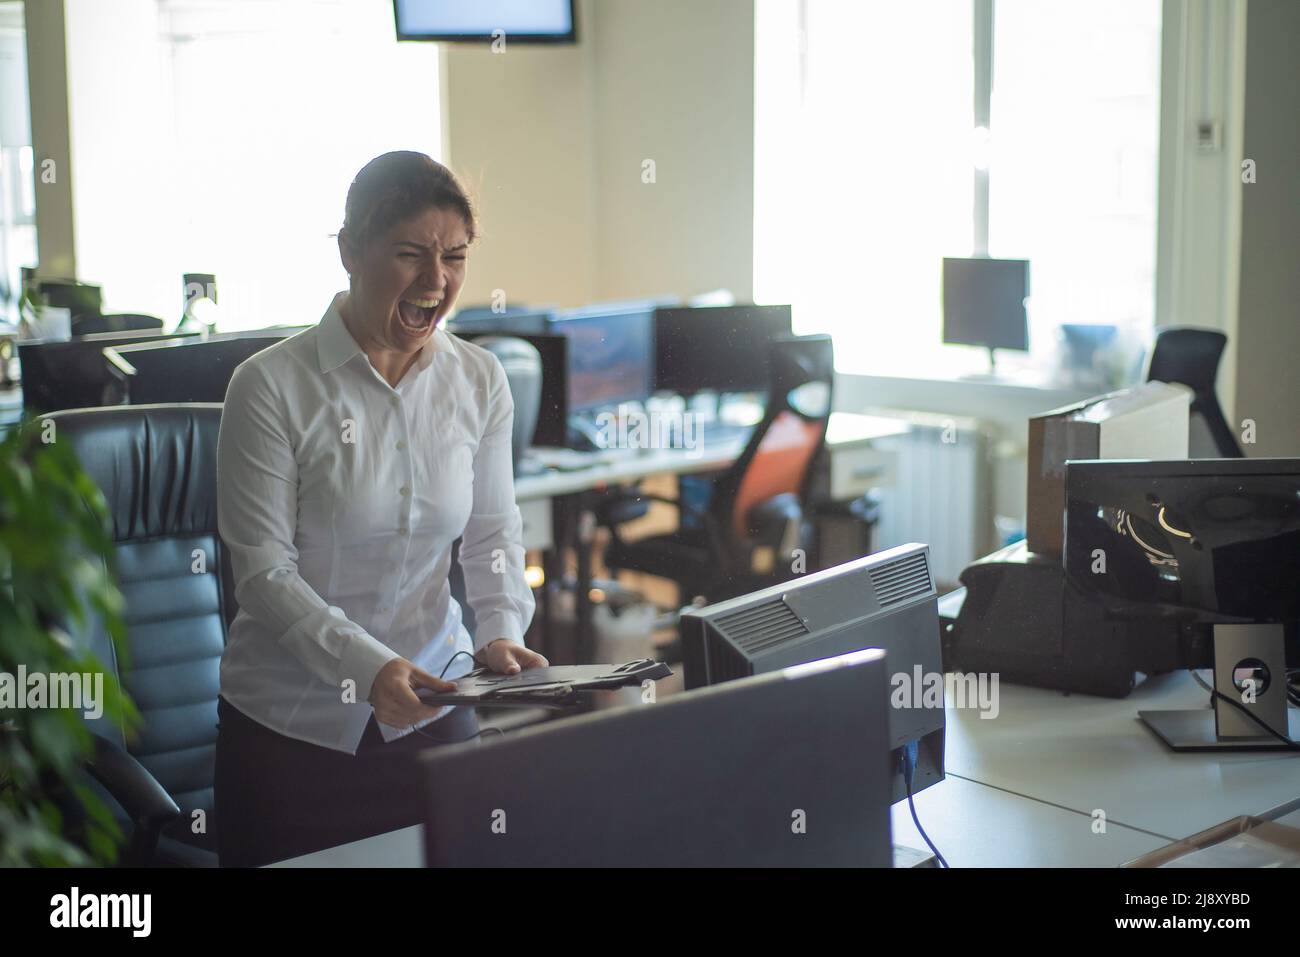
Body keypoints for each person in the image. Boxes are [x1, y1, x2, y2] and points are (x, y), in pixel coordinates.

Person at [213, 151, 543, 867]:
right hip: (291, 734)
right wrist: (366, 667)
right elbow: (265, 574)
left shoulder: (478, 379)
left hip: (435, 706)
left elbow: (491, 532)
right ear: (349, 252)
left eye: (455, 257)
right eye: (410, 255)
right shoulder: (270, 387)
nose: (437, 280)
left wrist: (501, 627)